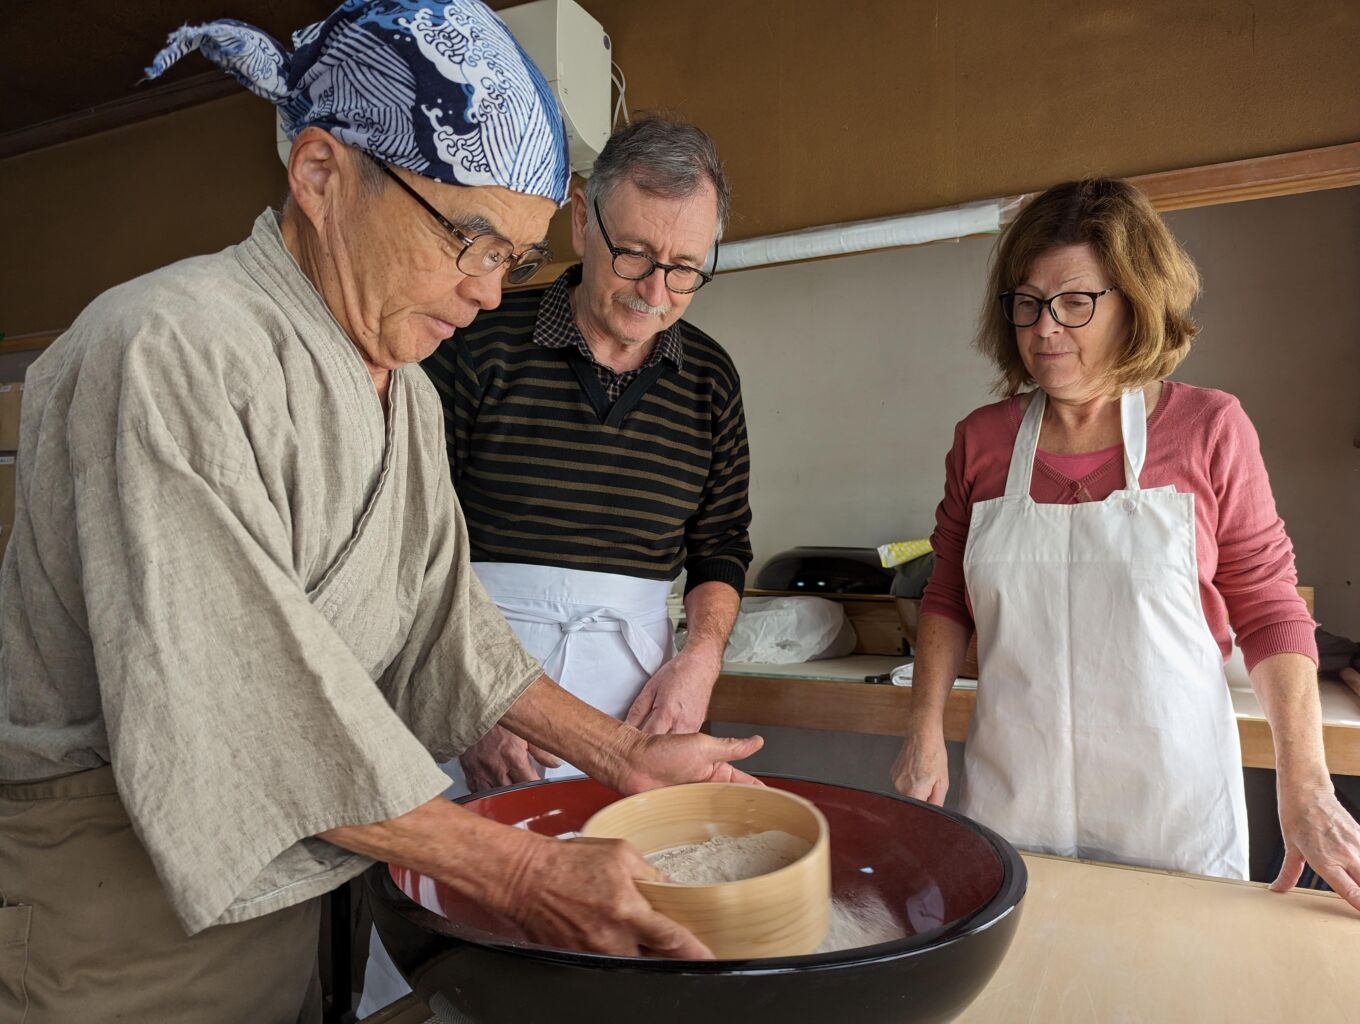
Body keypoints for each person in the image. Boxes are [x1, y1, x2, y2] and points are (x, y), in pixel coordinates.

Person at [0, 5, 763, 1022]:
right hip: (127, 902)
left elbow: (443, 620)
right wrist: (523, 872)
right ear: (318, 175)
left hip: (306, 874)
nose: (489, 295)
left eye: (512, 260)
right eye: (469, 240)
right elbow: (236, 695)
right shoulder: (166, 349)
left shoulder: (398, 386)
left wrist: (622, 754)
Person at [359, 114, 753, 1014]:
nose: (658, 289)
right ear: (583, 219)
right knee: (454, 932)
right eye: (636, 256)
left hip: (637, 689)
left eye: (687, 268)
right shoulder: (475, 339)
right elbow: (414, 541)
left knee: (615, 931)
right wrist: (473, 706)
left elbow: (721, 544)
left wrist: (700, 657)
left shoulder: (711, 379)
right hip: (461, 664)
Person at [890, 178, 1360, 908]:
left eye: (1076, 302)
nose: (1046, 328)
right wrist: (923, 729)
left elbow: (1268, 609)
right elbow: (947, 596)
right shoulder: (981, 442)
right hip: (1017, 791)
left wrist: (1306, 782)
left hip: (1171, 805)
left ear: (1136, 300)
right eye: (1028, 302)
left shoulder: (1209, 427)